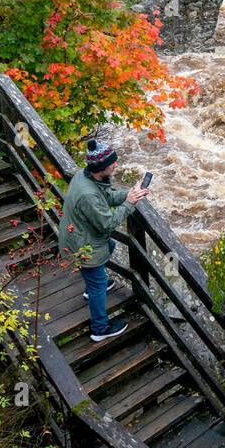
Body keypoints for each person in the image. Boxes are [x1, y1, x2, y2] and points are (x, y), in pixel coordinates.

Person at [57, 139, 149, 341]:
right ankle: (99, 329)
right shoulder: (88, 195)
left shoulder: (86, 175)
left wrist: (129, 194)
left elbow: (106, 196)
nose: (116, 164)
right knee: (98, 285)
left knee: (110, 245)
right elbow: (107, 224)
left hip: (78, 235)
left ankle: (94, 284)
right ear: (101, 167)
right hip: (83, 244)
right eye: (112, 163)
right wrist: (130, 204)